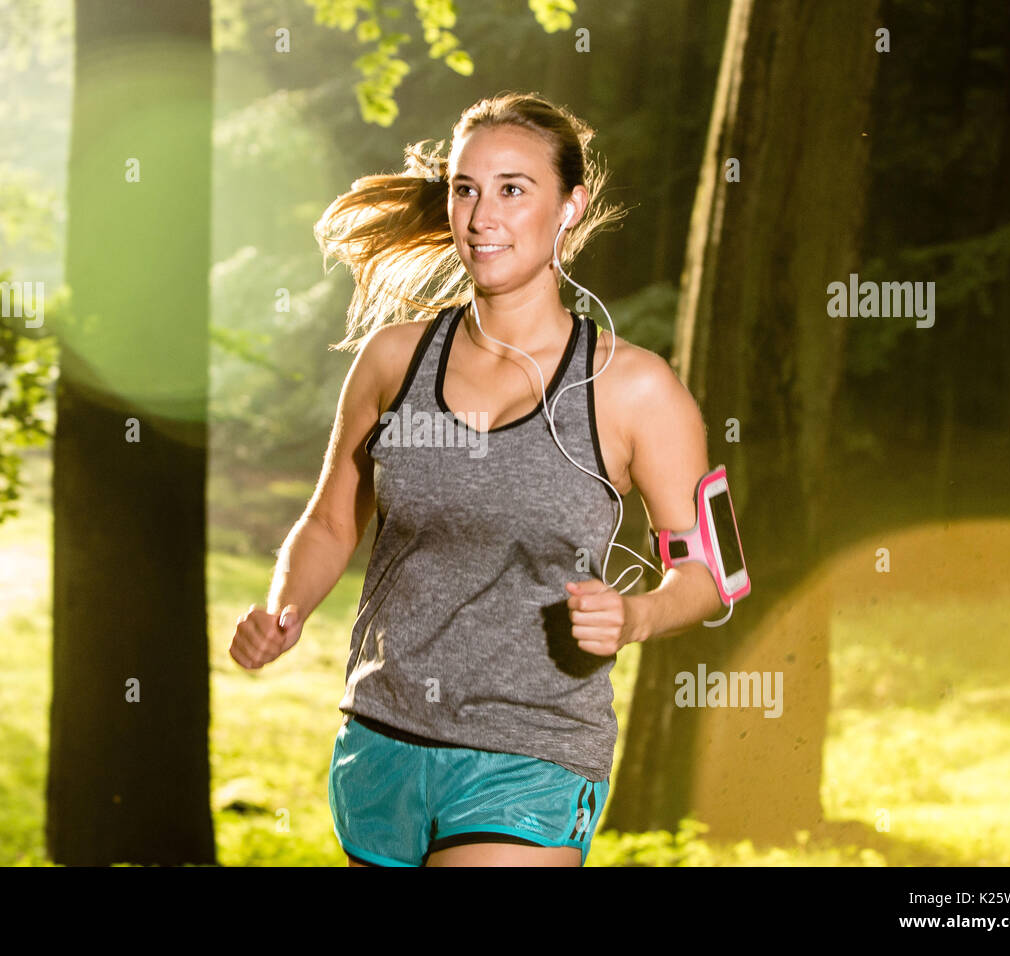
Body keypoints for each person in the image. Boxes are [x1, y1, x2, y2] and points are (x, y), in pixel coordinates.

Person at [228, 91, 724, 867]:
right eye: (466, 188)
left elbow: (710, 574)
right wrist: (282, 608)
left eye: (513, 189)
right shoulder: (394, 360)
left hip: (531, 754)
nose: (482, 214)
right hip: (384, 742)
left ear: (570, 206)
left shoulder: (634, 390)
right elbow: (330, 523)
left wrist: (634, 619)